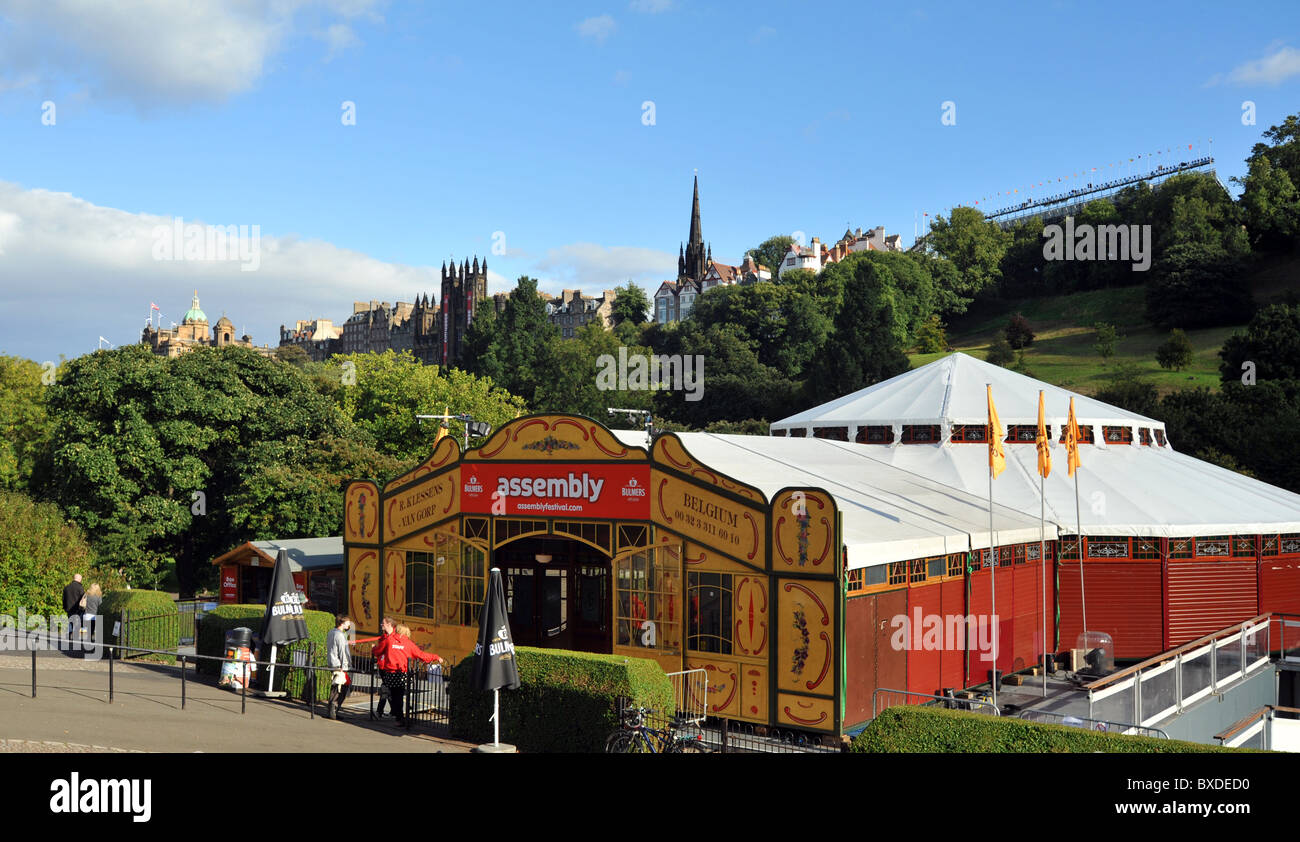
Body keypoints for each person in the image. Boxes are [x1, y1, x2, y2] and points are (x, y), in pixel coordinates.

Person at [371, 617, 443, 729]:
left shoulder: (389, 640)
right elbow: (421, 655)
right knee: (399, 696)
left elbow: (378, 651)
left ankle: (398, 717)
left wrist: (373, 649)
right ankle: (400, 717)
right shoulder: (408, 643)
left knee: (393, 695)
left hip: (391, 673)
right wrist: (435, 657)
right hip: (403, 673)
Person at [325, 614, 354, 720]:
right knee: (340, 688)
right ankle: (334, 709)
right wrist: (345, 665)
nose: (349, 624)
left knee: (336, 686)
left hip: (333, 662)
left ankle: (332, 710)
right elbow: (342, 651)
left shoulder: (331, 632)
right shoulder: (341, 635)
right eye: (347, 622)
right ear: (342, 623)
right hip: (340, 665)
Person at [62, 574, 85, 640]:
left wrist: (64, 607)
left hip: (69, 608)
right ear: (79, 579)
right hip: (78, 608)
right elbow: (83, 598)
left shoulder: (67, 587)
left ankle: (70, 634)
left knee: (70, 621)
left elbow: (64, 598)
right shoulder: (80, 588)